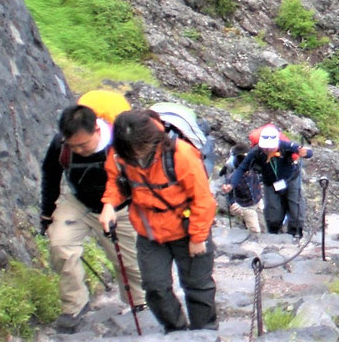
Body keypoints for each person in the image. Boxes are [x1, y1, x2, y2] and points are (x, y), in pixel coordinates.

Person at [99, 109, 217, 333]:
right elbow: (115, 181)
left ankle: (205, 334)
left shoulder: (180, 154)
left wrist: (198, 237)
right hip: (149, 232)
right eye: (131, 151)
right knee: (154, 287)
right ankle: (176, 332)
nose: (137, 155)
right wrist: (108, 205)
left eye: (140, 149)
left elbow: (203, 200)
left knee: (198, 287)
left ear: (153, 139)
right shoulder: (120, 154)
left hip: (188, 230)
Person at [41, 102, 145, 333]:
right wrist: (46, 213)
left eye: (83, 144)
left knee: (129, 263)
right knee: (60, 245)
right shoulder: (60, 145)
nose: (77, 150)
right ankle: (74, 305)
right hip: (79, 203)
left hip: (121, 207)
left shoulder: (120, 143)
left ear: (97, 130)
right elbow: (50, 175)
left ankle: (139, 305)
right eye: (73, 146)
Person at [225, 124, 312, 237]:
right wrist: (231, 185)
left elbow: (307, 152)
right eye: (266, 147)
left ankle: (296, 234)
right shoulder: (256, 152)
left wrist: (305, 153)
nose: (268, 150)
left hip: (291, 179)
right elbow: (242, 168)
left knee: (296, 210)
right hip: (270, 183)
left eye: (270, 147)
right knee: (273, 215)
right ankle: (273, 235)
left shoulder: (285, 146)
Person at [219, 144, 264, 235]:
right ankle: (255, 243)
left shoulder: (253, 169)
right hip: (246, 206)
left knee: (264, 225)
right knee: (255, 230)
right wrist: (234, 205)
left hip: (258, 201)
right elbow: (229, 194)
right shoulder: (232, 178)